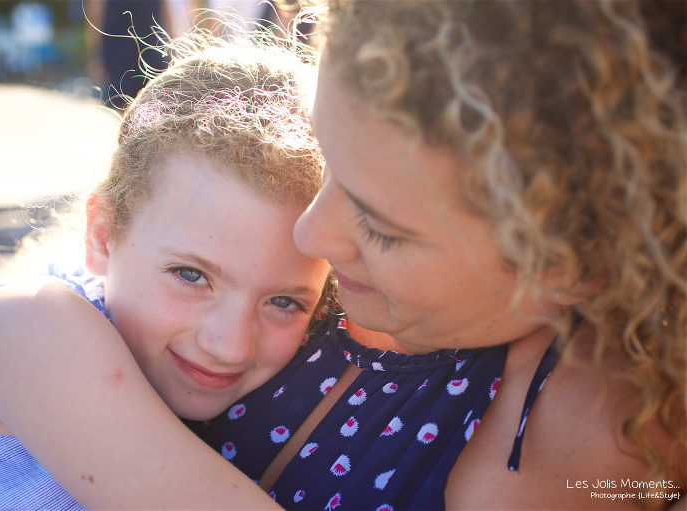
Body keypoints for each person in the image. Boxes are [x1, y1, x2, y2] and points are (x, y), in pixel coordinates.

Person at [188, 0, 686, 509]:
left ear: (572, 263)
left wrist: (100, 386)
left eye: (381, 226)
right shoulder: (352, 282)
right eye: (326, 159)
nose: (308, 234)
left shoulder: (581, 433)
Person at [0, 29, 332, 509]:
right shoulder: (28, 326)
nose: (230, 345)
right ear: (101, 235)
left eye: (284, 302)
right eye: (191, 275)